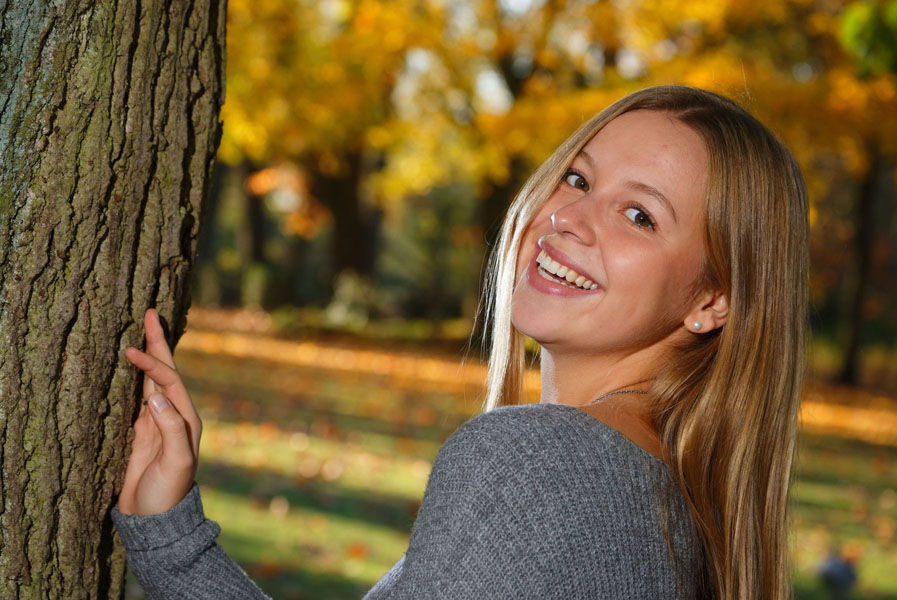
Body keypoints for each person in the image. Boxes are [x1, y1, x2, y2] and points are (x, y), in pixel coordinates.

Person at [112, 85, 809, 599]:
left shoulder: (534, 466)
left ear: (712, 301)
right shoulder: (678, 510)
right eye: (577, 177)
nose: (569, 218)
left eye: (638, 215)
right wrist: (171, 534)